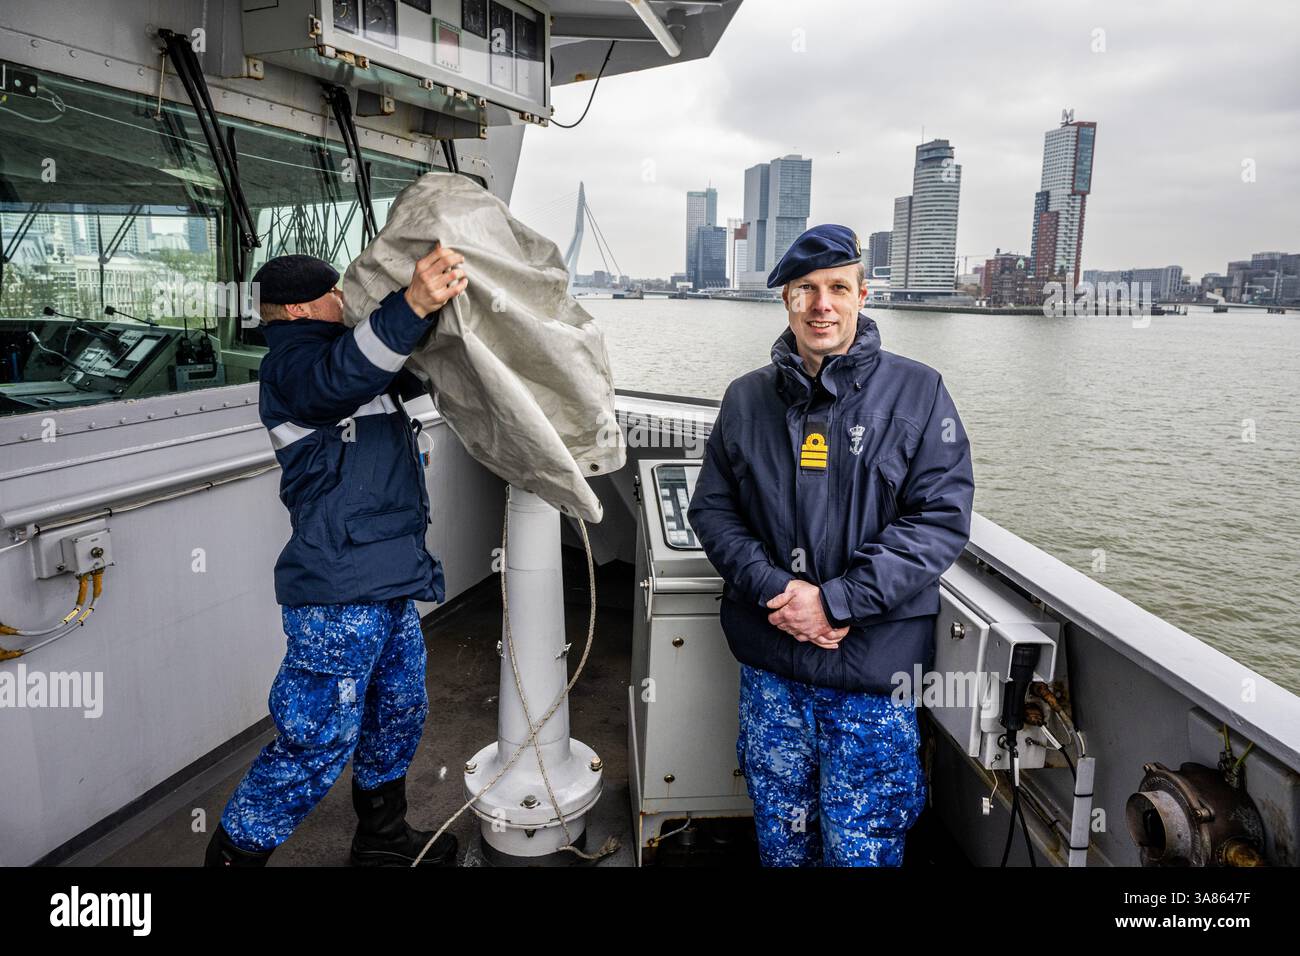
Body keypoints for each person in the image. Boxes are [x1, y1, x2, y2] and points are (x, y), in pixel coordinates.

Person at [687, 224, 974, 867]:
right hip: (773, 669)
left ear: (862, 295)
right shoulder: (745, 399)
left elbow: (941, 518)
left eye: (838, 288)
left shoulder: (920, 393)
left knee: (863, 848)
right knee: (781, 839)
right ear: (785, 302)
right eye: (806, 290)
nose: (822, 304)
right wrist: (775, 588)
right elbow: (713, 508)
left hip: (872, 673)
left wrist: (838, 602)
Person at [204, 245, 468, 867]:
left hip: (386, 576)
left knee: (397, 710)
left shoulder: (351, 356)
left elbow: (406, 369)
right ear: (299, 308)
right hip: (337, 588)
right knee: (316, 737)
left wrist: (425, 315)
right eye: (333, 295)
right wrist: (407, 306)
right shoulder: (293, 366)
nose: (345, 302)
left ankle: (382, 839)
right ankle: (233, 857)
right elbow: (335, 384)